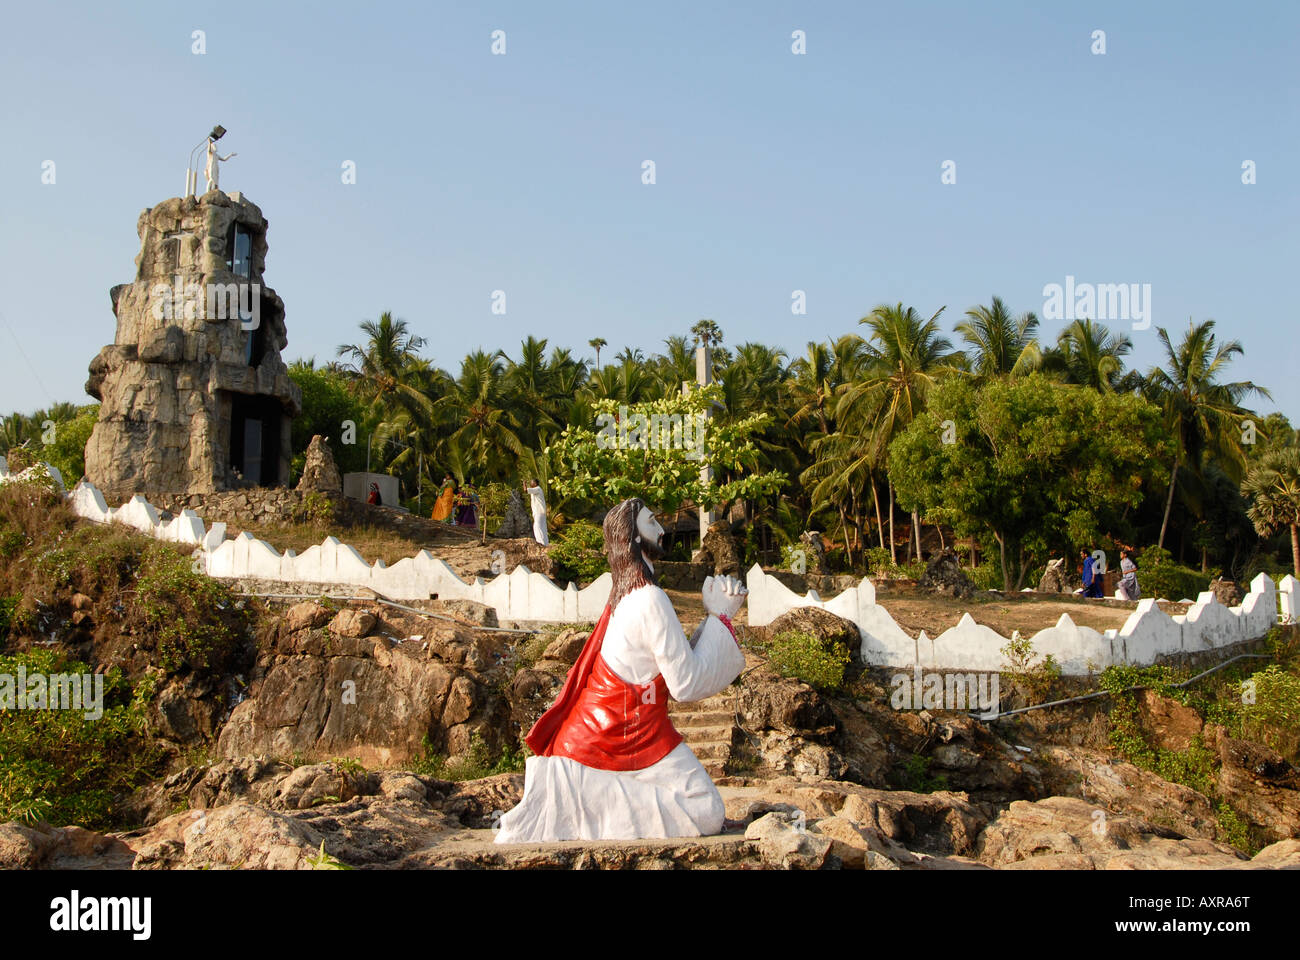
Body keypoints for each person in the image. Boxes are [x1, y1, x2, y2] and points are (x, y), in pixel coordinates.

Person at [494, 498, 747, 843]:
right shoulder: (648, 599)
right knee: (706, 812)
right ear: (632, 537)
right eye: (650, 522)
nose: (661, 528)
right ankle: (595, 799)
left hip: (634, 727)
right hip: (616, 735)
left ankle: (596, 795)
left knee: (705, 809)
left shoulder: (630, 597)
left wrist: (715, 619)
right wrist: (721, 616)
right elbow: (685, 684)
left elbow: (678, 663)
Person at [526, 478, 549, 546]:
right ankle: (545, 543)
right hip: (541, 512)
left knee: (537, 526)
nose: (530, 484)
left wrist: (524, 484)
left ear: (535, 483)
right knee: (542, 527)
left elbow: (525, 490)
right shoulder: (537, 490)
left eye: (531, 482)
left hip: (539, 512)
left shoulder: (537, 489)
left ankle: (540, 542)